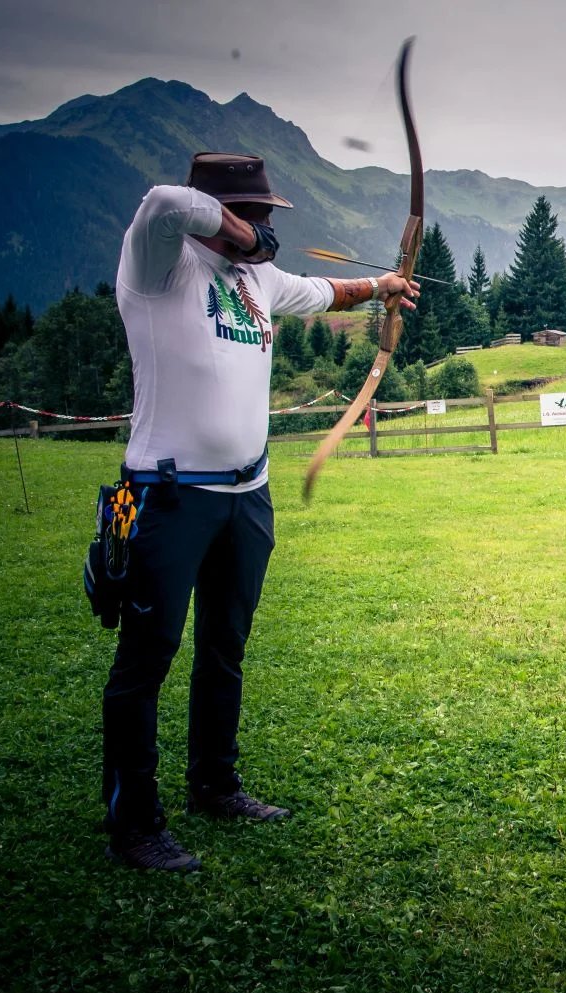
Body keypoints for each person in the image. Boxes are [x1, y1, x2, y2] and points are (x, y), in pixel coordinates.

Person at [102, 152, 418, 871]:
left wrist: (382, 288)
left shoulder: (258, 280)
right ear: (226, 214)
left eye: (268, 218)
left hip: (248, 494)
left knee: (225, 646)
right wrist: (238, 235)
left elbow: (318, 290)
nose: (267, 230)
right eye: (257, 218)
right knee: (145, 660)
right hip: (168, 492)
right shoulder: (159, 265)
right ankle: (135, 823)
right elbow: (160, 201)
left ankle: (214, 782)